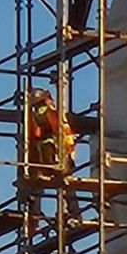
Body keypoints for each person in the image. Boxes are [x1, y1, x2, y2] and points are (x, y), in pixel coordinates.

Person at [25, 87, 79, 220]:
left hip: (46, 154)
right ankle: (75, 213)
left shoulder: (36, 115)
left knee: (38, 183)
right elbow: (62, 132)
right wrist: (70, 151)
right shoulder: (48, 113)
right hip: (54, 153)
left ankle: (35, 213)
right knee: (66, 185)